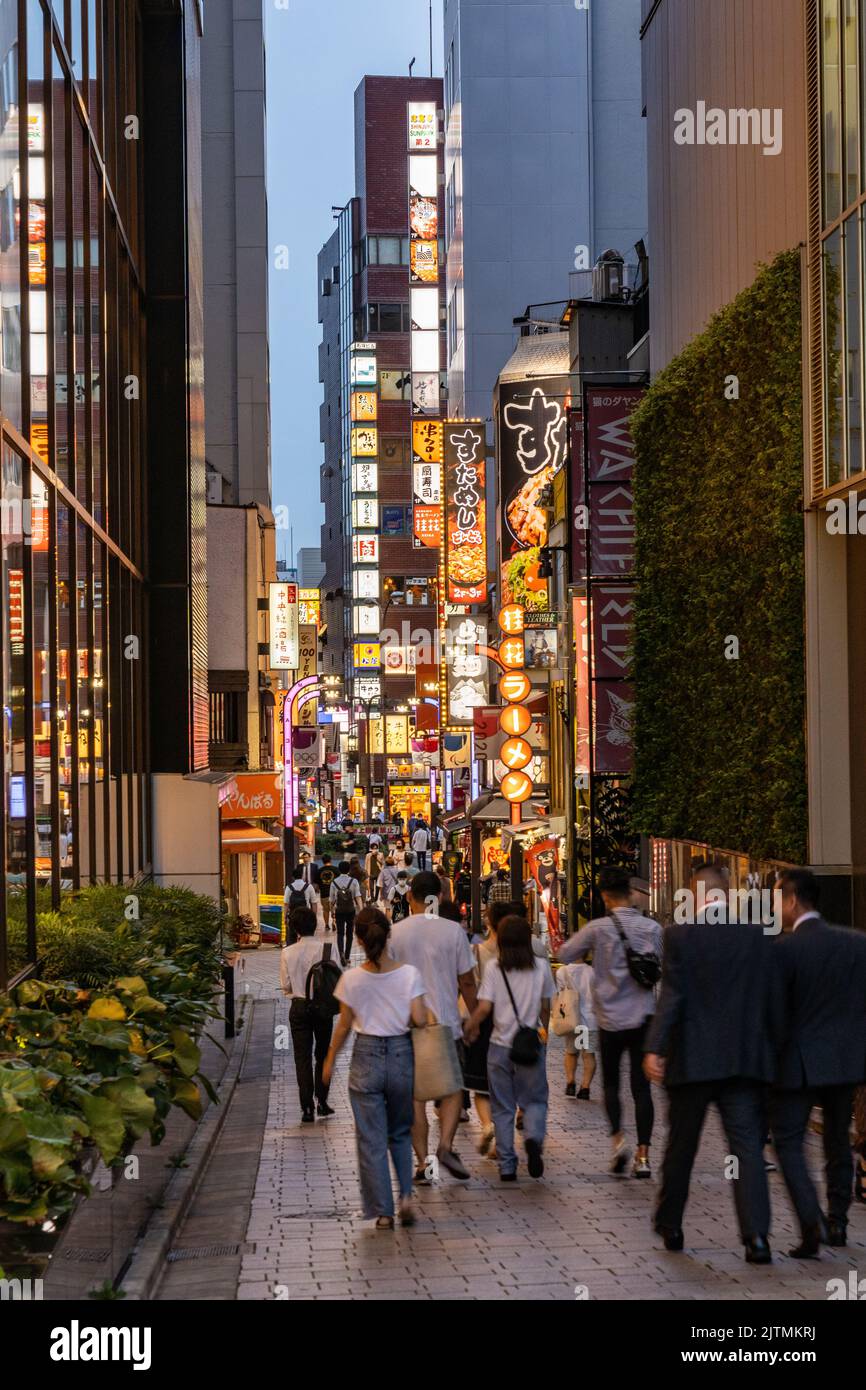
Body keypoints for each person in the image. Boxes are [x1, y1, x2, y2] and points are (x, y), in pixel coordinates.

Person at [643, 863, 779, 1264]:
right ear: (727, 894)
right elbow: (768, 998)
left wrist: (656, 1046)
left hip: (693, 1061)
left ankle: (671, 1224)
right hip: (742, 1060)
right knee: (747, 1148)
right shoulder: (756, 937)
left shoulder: (680, 936)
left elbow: (673, 996)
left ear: (697, 895)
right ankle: (756, 1238)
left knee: (682, 1145)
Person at [770, 868, 866, 1256]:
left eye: (778, 899)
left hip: (798, 1064)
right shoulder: (857, 944)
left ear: (792, 901)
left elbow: (774, 1012)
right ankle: (838, 1221)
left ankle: (811, 1221)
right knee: (837, 1142)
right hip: (845, 1061)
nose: (776, 907)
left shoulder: (783, 950)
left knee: (788, 1143)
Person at [323, 908, 428, 1230]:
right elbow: (420, 1020)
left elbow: (343, 1026)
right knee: (399, 1133)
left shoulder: (351, 978)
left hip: (365, 1056)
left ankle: (384, 1212)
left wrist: (329, 1061)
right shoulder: (409, 974)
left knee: (371, 1139)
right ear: (388, 935)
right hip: (400, 1054)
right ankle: (406, 1196)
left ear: (357, 939)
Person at [558, 865, 662, 1178]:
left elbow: (564, 953)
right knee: (641, 1088)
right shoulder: (652, 928)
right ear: (631, 893)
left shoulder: (598, 928)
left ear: (604, 896)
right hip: (643, 1016)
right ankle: (644, 1157)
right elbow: (665, 968)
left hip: (609, 1019)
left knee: (612, 1085)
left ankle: (618, 1142)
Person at [390, 871, 478, 1182]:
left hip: (405, 1027)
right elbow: (466, 980)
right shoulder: (453, 931)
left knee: (415, 1100)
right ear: (439, 898)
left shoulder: (395, 933)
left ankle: (424, 1164)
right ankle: (445, 1145)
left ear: (409, 897)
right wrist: (476, 1017)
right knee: (453, 1089)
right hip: (446, 1024)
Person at [464, 915, 554, 1181]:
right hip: (529, 1045)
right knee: (535, 1099)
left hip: (500, 1046)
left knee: (502, 1107)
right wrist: (542, 1033)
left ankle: (506, 1164)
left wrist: (471, 1027)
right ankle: (534, 1139)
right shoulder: (540, 967)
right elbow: (545, 1005)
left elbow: (484, 1008)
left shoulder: (494, 968)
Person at [280, 907, 340, 1123]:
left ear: (294, 928)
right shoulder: (328, 949)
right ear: (315, 925)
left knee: (302, 1057)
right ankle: (322, 1101)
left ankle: (306, 1108)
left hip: (299, 1007)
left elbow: (285, 985)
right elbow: (337, 977)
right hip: (323, 1008)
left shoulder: (287, 952)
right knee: (323, 1055)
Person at [558, 959, 597, 1099]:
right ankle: (585, 1087)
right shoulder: (593, 971)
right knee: (588, 1055)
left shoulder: (562, 972)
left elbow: (560, 995)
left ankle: (570, 1083)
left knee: (571, 1053)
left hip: (572, 1019)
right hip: (590, 1020)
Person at [330, 861, 363, 966]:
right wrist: (361, 910)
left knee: (340, 933)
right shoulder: (354, 881)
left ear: (339, 870)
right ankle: (348, 957)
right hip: (350, 910)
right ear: (349, 870)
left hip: (339, 910)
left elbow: (332, 900)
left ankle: (341, 955)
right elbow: (358, 896)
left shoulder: (334, 882)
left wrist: (332, 911)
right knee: (349, 933)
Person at [284, 866, 317, 940]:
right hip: (306, 916)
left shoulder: (289, 887)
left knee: (292, 937)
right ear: (302, 876)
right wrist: (314, 917)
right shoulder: (309, 886)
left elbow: (286, 904)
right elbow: (314, 903)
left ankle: (292, 950)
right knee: (305, 937)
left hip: (293, 916)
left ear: (293, 877)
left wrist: (284, 917)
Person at [316, 853, 336, 932]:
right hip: (334, 894)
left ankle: (327, 924)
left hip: (324, 894)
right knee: (334, 909)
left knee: (325, 910)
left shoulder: (319, 871)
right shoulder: (336, 869)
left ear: (322, 861)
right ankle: (334, 921)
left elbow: (317, 884)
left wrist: (318, 889)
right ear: (330, 860)